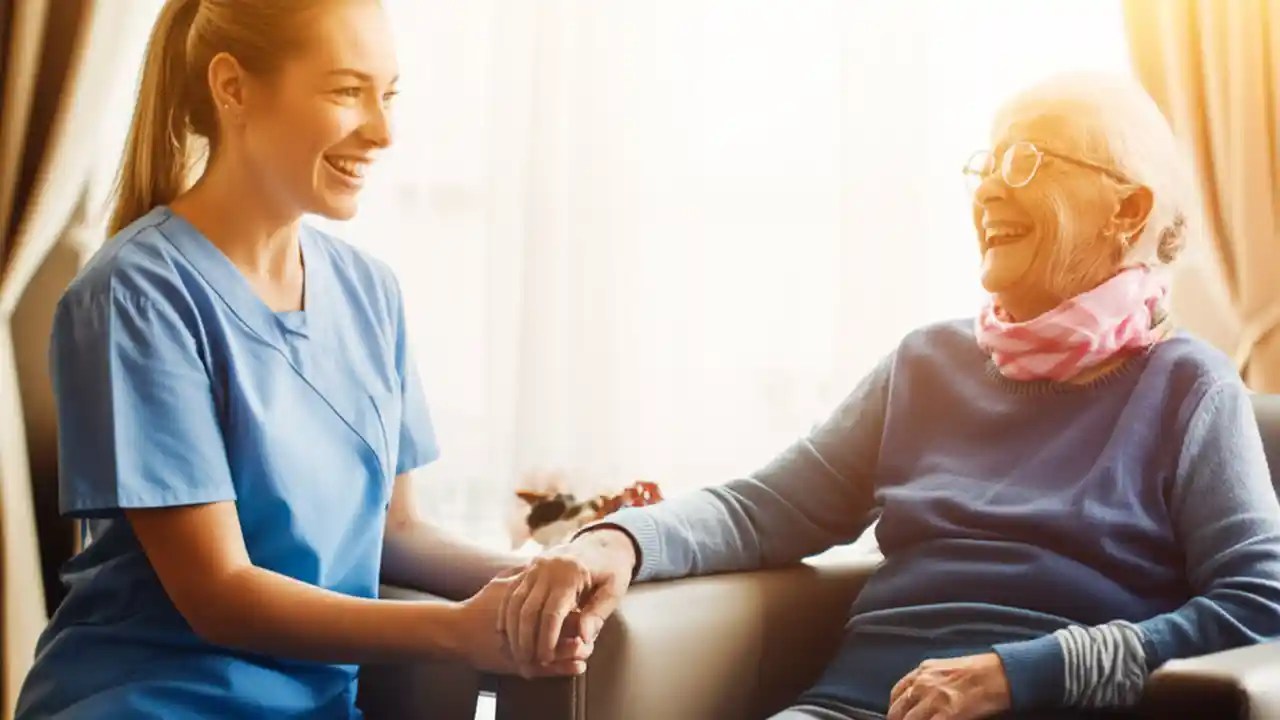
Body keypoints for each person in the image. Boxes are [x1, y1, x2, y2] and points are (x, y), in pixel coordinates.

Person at [500, 74, 1280, 720]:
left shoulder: (1189, 388)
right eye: (988, 166)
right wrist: (615, 541)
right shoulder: (928, 363)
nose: (989, 195)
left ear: (1129, 211)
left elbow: (1261, 604)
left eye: (1028, 163)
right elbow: (763, 509)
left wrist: (1026, 674)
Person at [15, 1, 589, 717]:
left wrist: (542, 579)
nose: (382, 130)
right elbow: (219, 594)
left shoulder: (370, 291)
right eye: (347, 91)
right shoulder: (135, 295)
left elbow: (395, 533)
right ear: (233, 88)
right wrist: (458, 632)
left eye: (389, 93)